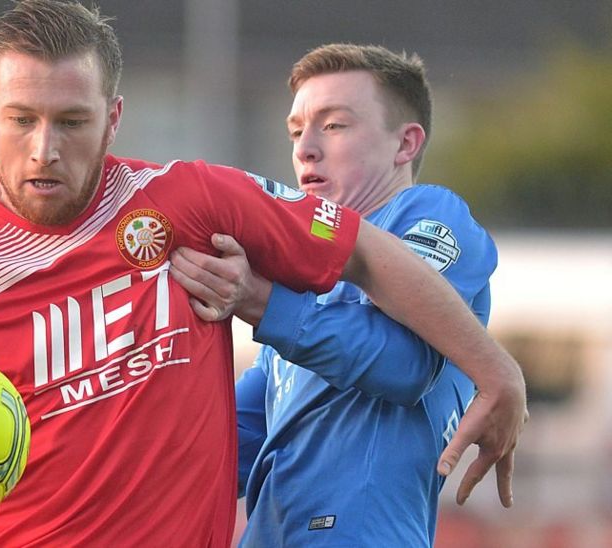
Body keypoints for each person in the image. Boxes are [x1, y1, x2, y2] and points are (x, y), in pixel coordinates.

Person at [0, 3, 525, 546]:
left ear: (113, 117)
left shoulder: (190, 197)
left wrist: (496, 370)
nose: (45, 148)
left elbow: (366, 252)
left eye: (72, 120)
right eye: (21, 119)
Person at [169, 43, 523, 546]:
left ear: (405, 145)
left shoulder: (431, 214)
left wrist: (257, 299)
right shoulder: (301, 283)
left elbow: (404, 365)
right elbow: (223, 448)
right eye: (296, 131)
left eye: (333, 125)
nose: (305, 148)